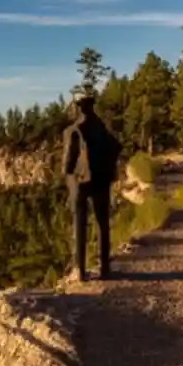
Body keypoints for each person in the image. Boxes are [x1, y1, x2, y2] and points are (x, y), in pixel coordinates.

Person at [62, 93, 121, 281]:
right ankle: (105, 268)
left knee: (79, 225)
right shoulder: (101, 128)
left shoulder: (74, 130)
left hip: (81, 181)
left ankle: (80, 270)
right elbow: (116, 146)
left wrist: (69, 182)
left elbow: (67, 165)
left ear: (78, 107)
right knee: (103, 224)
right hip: (101, 179)